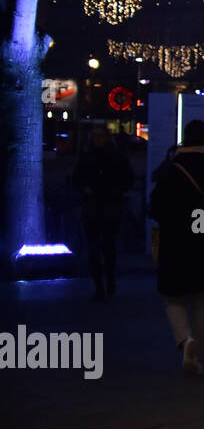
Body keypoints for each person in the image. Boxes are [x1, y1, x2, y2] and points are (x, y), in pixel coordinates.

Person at [147, 120, 204, 376]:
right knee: (203, 297)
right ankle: (198, 353)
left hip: (175, 240)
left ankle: (184, 339)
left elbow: (154, 206)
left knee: (172, 298)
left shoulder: (172, 167)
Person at [73, 126, 133, 300]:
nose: (98, 140)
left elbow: (127, 178)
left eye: (101, 136)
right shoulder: (87, 157)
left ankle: (109, 281)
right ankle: (100, 285)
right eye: (96, 136)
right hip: (94, 206)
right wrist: (85, 188)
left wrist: (116, 190)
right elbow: (77, 179)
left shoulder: (115, 157)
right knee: (95, 248)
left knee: (108, 247)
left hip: (109, 206)